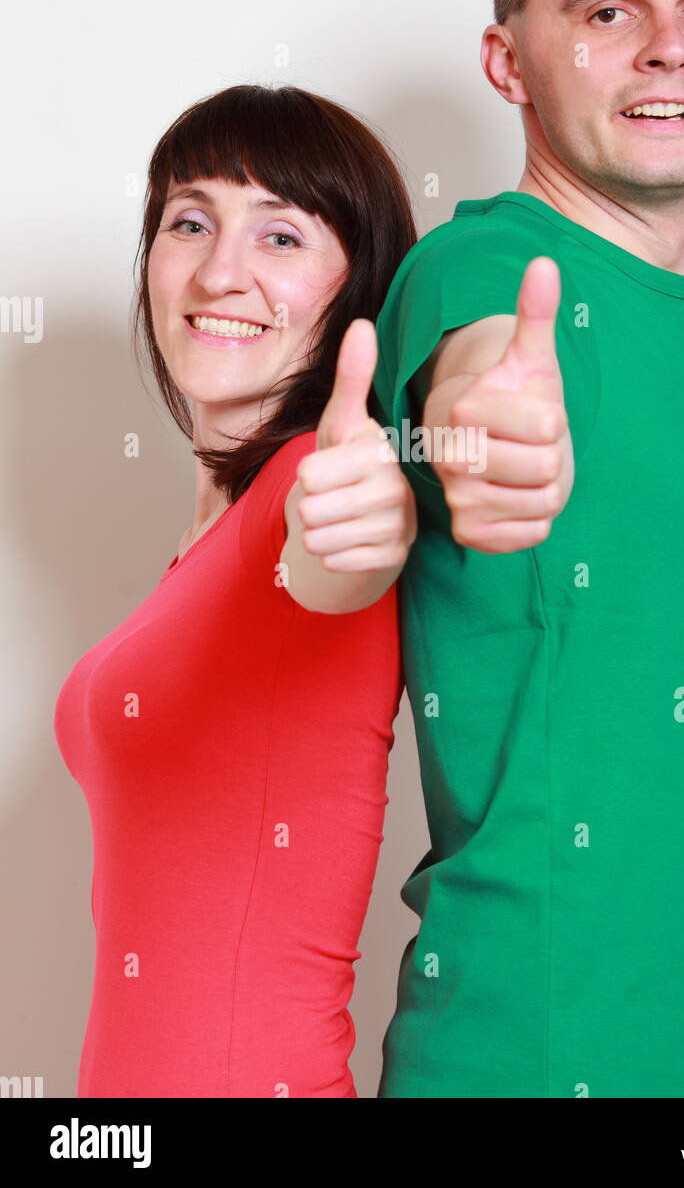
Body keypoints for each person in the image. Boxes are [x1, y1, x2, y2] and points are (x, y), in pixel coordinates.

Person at [372, 0, 684, 1098]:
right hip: (527, 1054)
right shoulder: (486, 268)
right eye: (609, 11)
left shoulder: (675, 340)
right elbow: (478, 384)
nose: (668, 45)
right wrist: (475, 435)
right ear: (508, 60)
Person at [54, 83, 418, 1097]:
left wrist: (362, 514)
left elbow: (341, 551)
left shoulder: (308, 482)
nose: (222, 269)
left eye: (282, 236)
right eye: (190, 220)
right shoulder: (204, 545)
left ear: (356, 287)